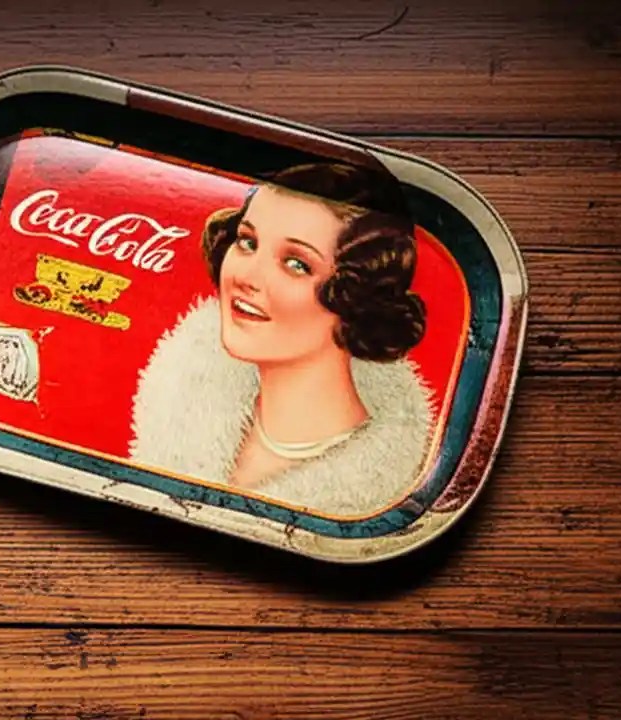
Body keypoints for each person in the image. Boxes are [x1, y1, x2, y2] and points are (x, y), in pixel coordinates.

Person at [128, 162, 434, 516]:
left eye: (296, 264)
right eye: (247, 242)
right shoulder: (175, 411)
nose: (247, 276)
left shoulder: (381, 494)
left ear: (354, 297)